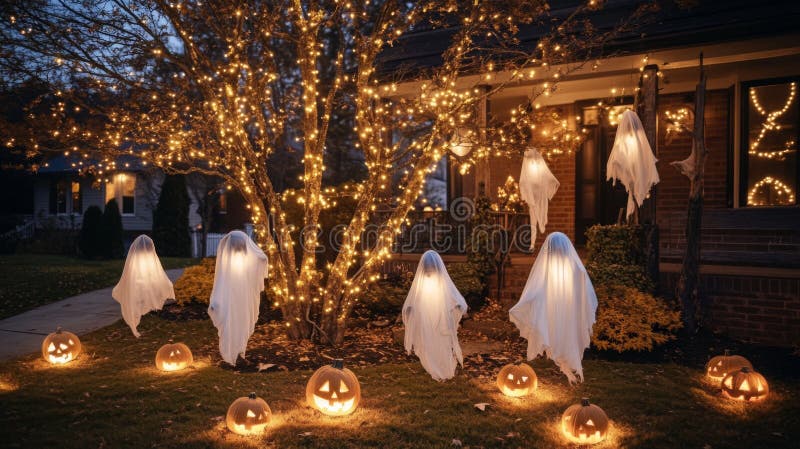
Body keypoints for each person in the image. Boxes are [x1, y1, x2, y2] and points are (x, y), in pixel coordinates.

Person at [509, 232, 597, 383]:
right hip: (562, 310)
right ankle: (566, 360)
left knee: (561, 331)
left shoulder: (565, 268)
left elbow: (535, 291)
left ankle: (566, 360)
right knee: (564, 332)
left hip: (563, 310)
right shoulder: (572, 268)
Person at [402, 250, 468, 381]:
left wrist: (456, 307)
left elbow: (453, 298)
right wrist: (413, 310)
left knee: (442, 343)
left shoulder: (441, 282)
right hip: (426, 319)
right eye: (428, 267)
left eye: (432, 267)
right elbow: (415, 300)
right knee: (428, 341)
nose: (430, 270)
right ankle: (432, 364)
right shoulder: (422, 282)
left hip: (440, 319)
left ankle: (443, 365)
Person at [208, 230, 268, 365]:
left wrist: (258, 256)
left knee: (242, 325)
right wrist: (216, 302)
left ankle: (240, 353)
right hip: (230, 301)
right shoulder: (226, 263)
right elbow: (221, 283)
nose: (238, 248)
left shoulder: (248, 259)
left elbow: (262, 260)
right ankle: (231, 355)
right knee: (230, 326)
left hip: (243, 300)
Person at [113, 235, 174, 337]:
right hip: (139, 281)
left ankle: (142, 307)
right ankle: (138, 312)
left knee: (146, 290)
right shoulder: (140, 260)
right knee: (141, 292)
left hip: (142, 280)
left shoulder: (147, 258)